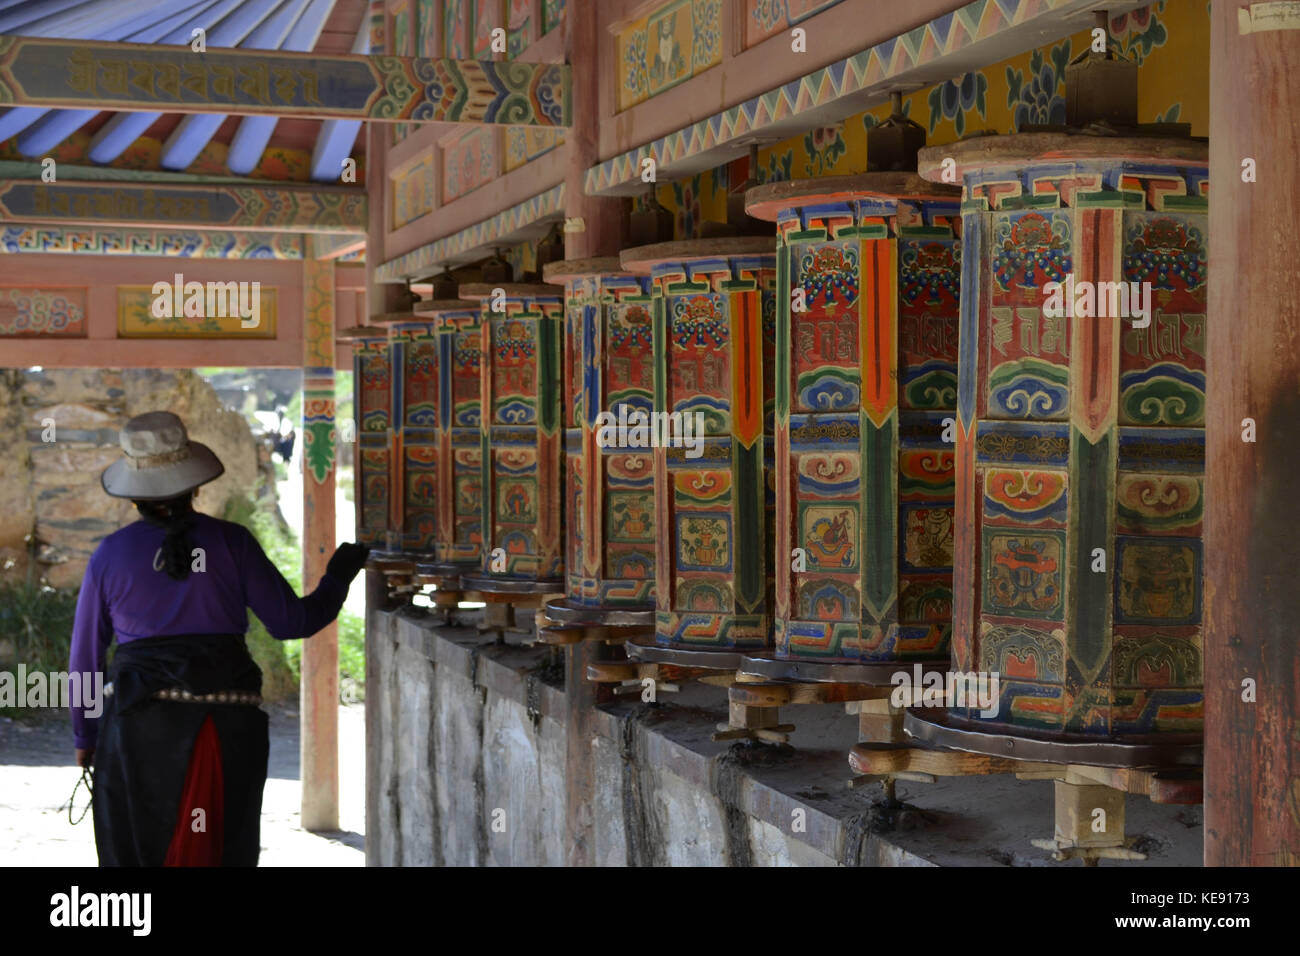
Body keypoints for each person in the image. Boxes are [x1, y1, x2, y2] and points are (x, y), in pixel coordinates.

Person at [68, 411, 369, 866]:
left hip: (140, 731)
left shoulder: (110, 555)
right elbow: (292, 623)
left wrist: (85, 734)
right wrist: (338, 578)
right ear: (195, 486)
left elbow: (85, 660)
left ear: (134, 496)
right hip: (230, 725)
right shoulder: (233, 543)